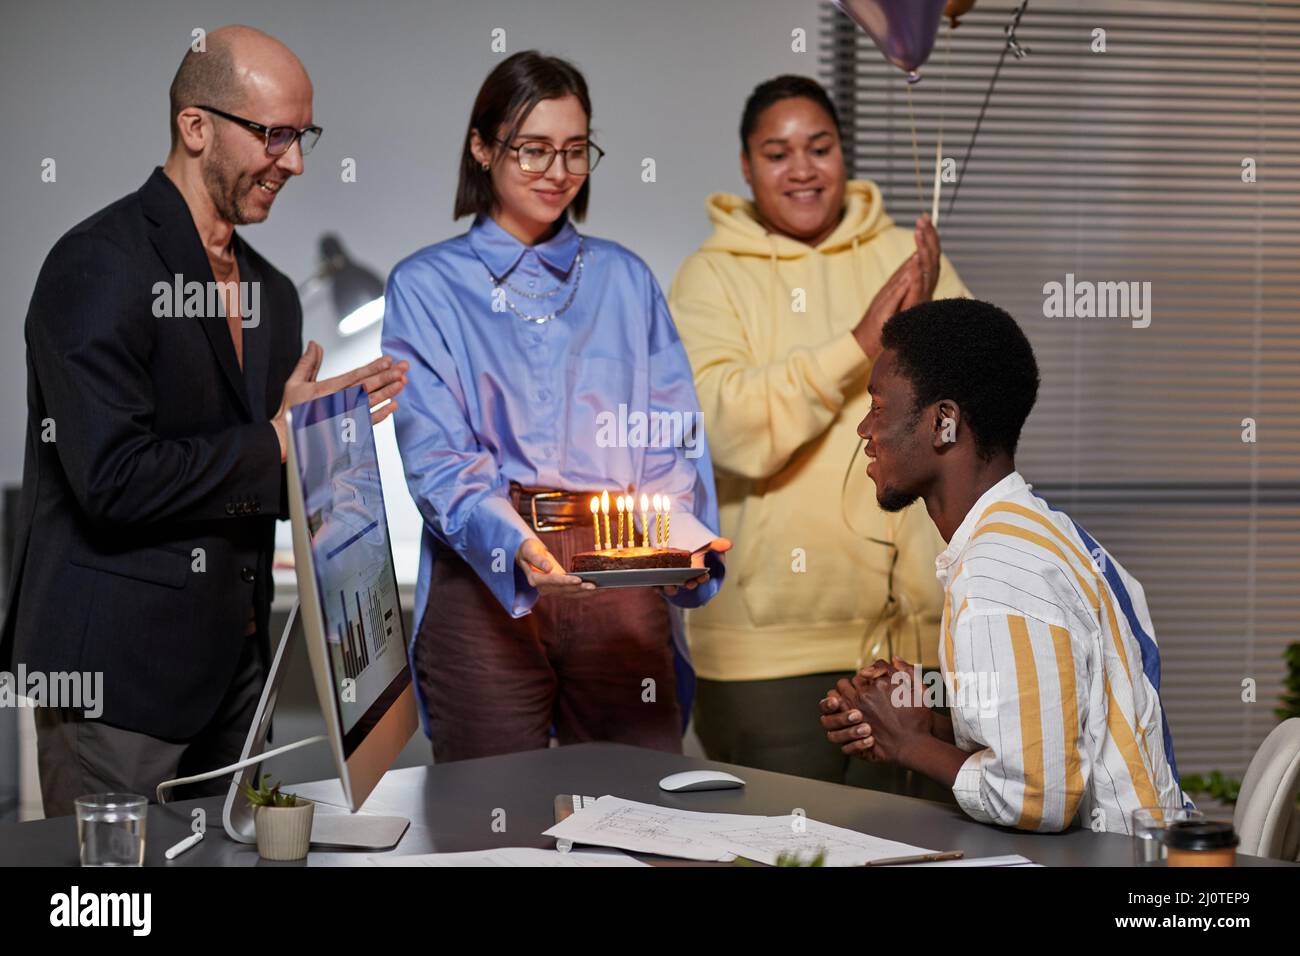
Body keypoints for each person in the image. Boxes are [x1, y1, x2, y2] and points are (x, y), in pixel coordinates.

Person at [0, 25, 407, 817]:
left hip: (236, 677)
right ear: (196, 127)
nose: (293, 162)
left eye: (303, 136)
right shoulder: (94, 266)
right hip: (118, 684)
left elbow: (256, 476)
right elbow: (112, 481)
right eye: (274, 135)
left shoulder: (275, 294)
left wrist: (324, 446)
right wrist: (281, 441)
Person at [382, 51, 729, 763]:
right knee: (491, 822)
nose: (558, 171)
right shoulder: (426, 286)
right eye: (533, 149)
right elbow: (438, 456)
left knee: (636, 812)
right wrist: (517, 547)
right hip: (487, 586)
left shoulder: (626, 280)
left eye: (576, 151)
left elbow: (669, 435)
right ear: (482, 148)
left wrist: (682, 544)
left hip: (620, 586)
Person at [669, 75, 968, 790]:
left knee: (928, 854)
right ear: (746, 166)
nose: (802, 168)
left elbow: (970, 425)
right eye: (777, 153)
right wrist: (863, 342)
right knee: (784, 852)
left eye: (820, 147)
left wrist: (925, 348)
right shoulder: (707, 279)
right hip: (768, 658)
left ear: (844, 152)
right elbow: (732, 428)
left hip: (921, 651)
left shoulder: (912, 258)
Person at [819, 298, 1185, 833]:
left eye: (879, 406)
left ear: (944, 422)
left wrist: (909, 743)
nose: (865, 431)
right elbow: (1059, 735)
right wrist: (921, 723)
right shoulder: (1041, 532)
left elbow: (1038, 797)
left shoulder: (1000, 569)